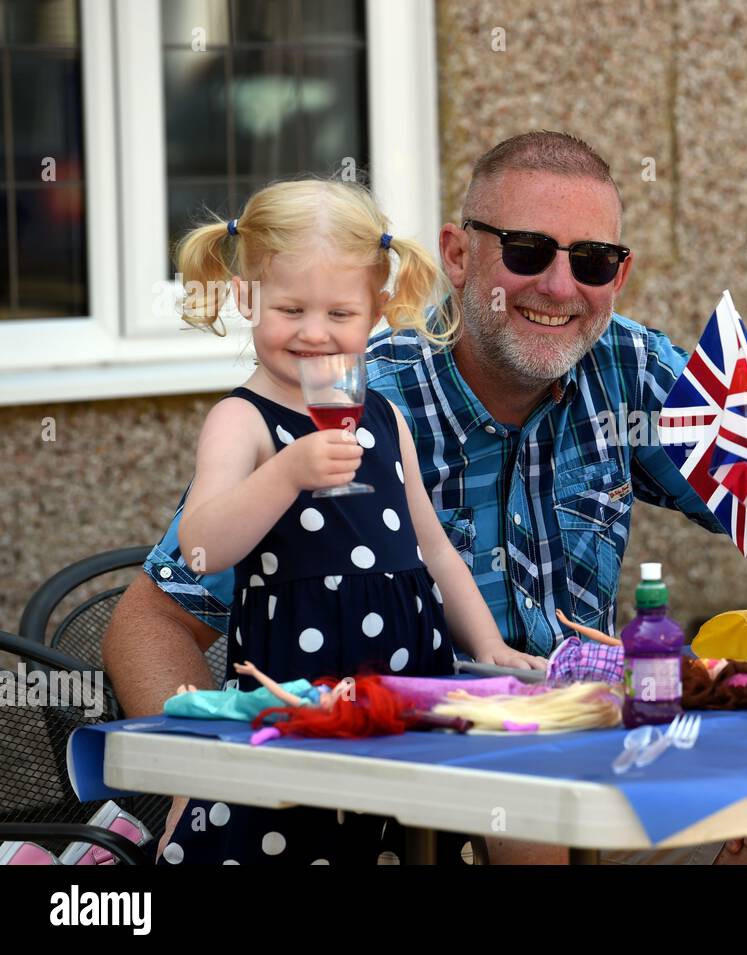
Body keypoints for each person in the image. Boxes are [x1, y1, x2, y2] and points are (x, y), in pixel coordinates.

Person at [150, 179, 541, 864]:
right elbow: (203, 549)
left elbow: (435, 551)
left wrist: (490, 643)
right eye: (290, 307)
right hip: (298, 721)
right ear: (246, 297)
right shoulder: (242, 420)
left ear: (377, 311)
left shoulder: (386, 419)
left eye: (339, 311)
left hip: (402, 715)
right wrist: (285, 472)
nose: (314, 331)